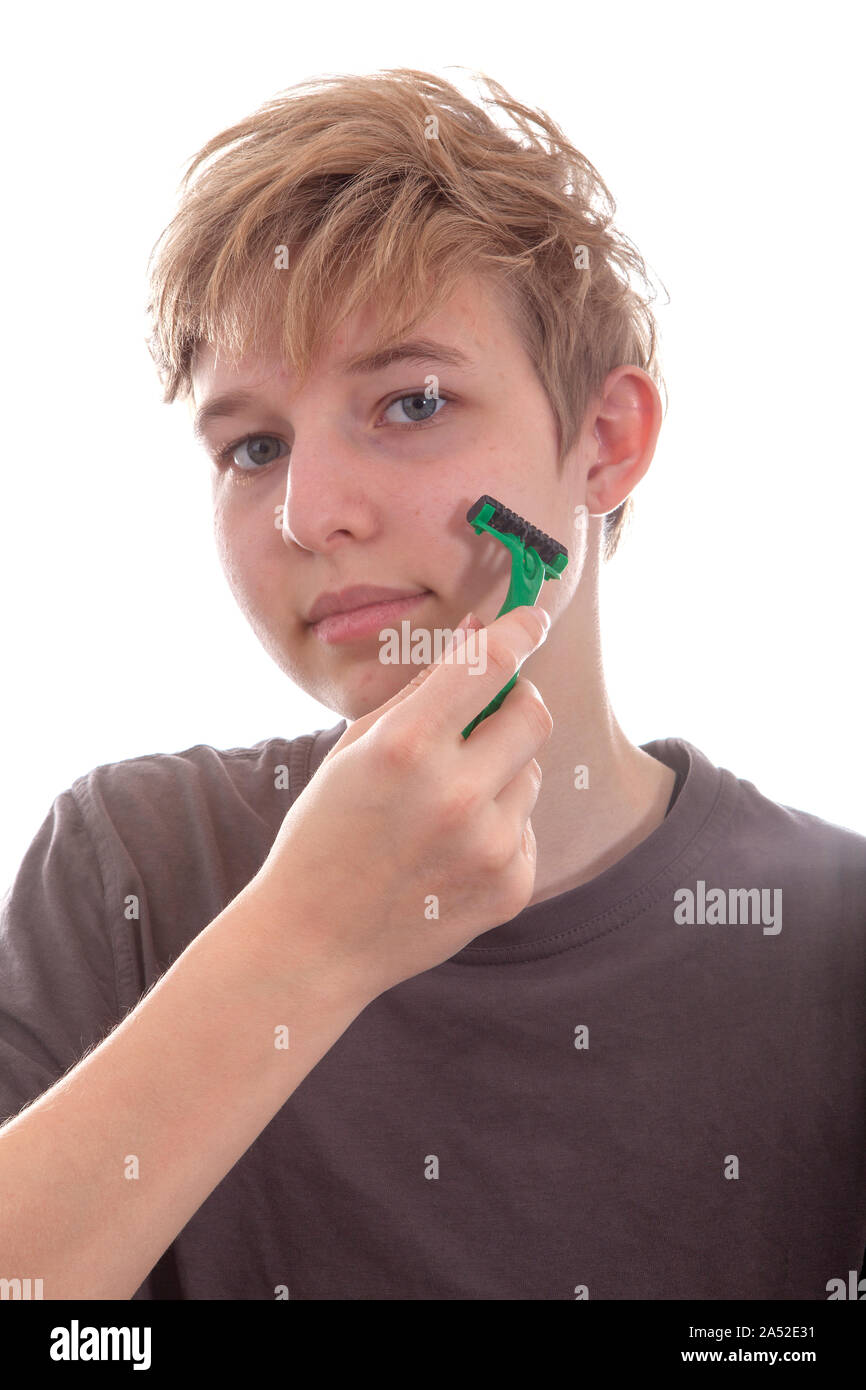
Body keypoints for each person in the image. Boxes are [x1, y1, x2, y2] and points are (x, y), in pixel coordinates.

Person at [1, 67, 863, 1302]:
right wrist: (307, 935)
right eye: (253, 447)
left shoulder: (835, 937)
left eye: (410, 402)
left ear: (604, 442)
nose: (309, 514)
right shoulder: (130, 867)